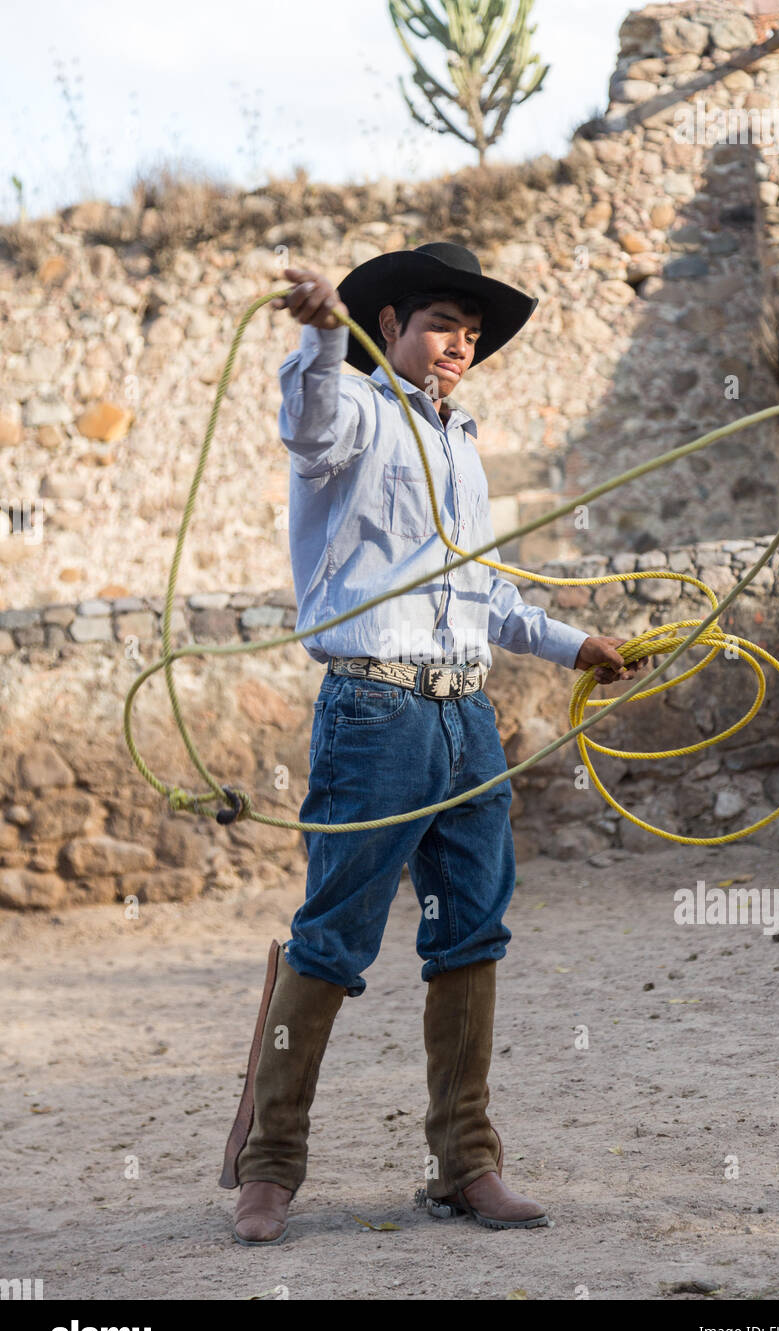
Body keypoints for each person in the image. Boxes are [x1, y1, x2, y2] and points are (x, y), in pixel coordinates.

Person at [219, 241, 648, 1244]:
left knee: (470, 936)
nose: (458, 343)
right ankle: (268, 1165)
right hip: (374, 712)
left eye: (470, 330)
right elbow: (306, 419)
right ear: (393, 329)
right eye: (440, 324)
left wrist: (570, 641)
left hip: (465, 717)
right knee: (331, 935)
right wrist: (324, 333)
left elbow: (478, 589)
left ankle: (465, 1163)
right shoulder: (358, 412)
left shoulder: (460, 448)